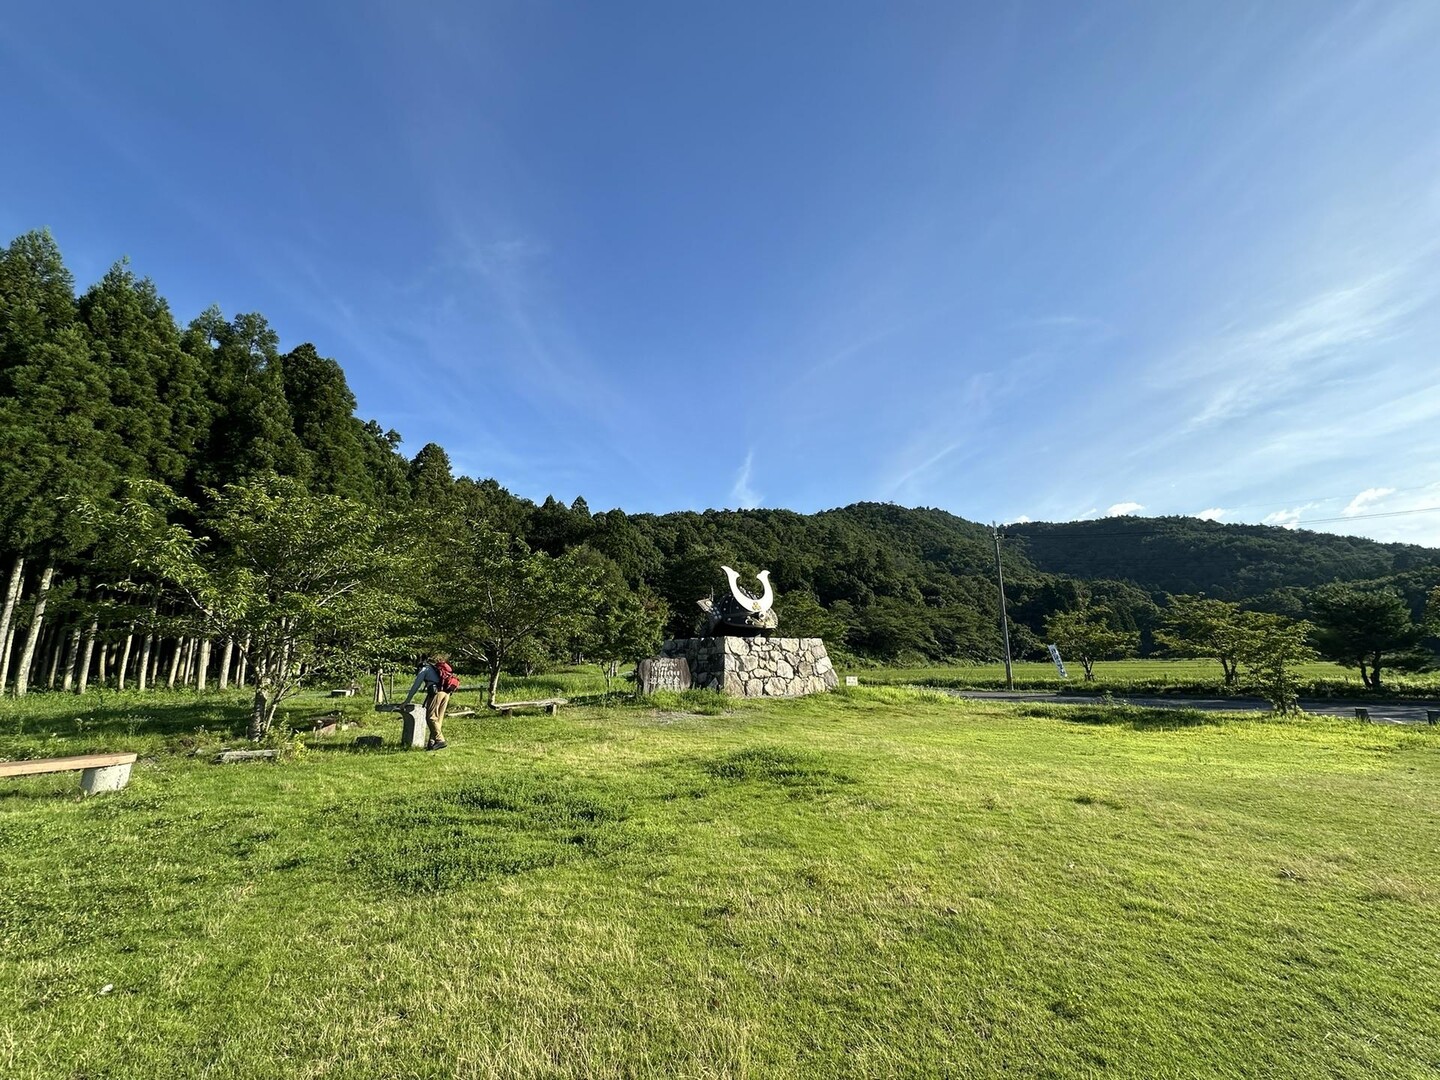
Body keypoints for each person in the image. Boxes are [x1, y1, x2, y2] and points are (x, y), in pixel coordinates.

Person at [402, 654, 453, 750]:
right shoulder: (435, 668)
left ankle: (440, 740)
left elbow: (415, 686)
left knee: (431, 717)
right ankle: (432, 743)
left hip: (436, 693)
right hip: (446, 693)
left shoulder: (425, 669)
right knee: (438, 719)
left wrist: (406, 701)